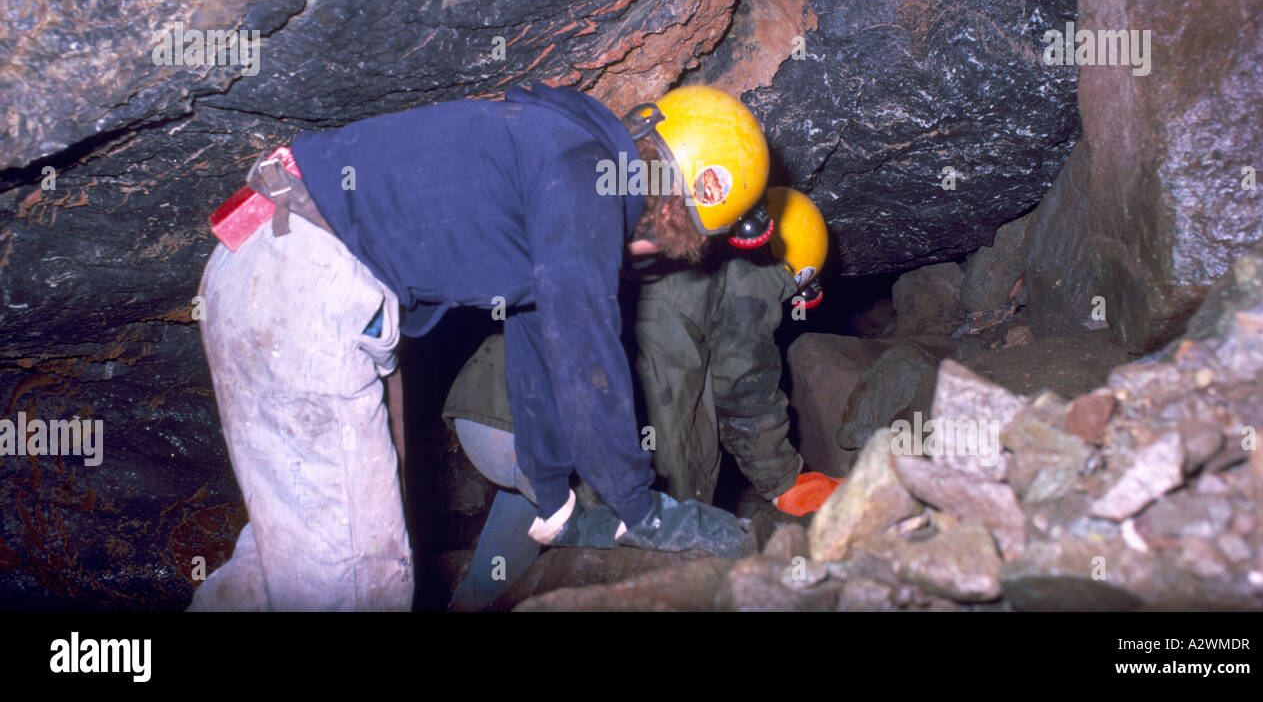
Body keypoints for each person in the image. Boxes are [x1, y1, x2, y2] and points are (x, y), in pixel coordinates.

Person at [188, 82, 768, 611]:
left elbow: (544, 350)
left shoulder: (553, 156)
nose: (642, 256)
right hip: (306, 282)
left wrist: (554, 506)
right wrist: (640, 510)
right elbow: (588, 351)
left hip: (272, 260)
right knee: (358, 581)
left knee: (289, 562)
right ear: (672, 211)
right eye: (669, 245)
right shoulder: (584, 170)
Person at [444, 186, 839, 610]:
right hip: (565, 434)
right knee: (660, 548)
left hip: (490, 411)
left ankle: (474, 599)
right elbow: (744, 384)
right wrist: (783, 479)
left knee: (538, 501)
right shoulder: (749, 274)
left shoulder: (671, 229)